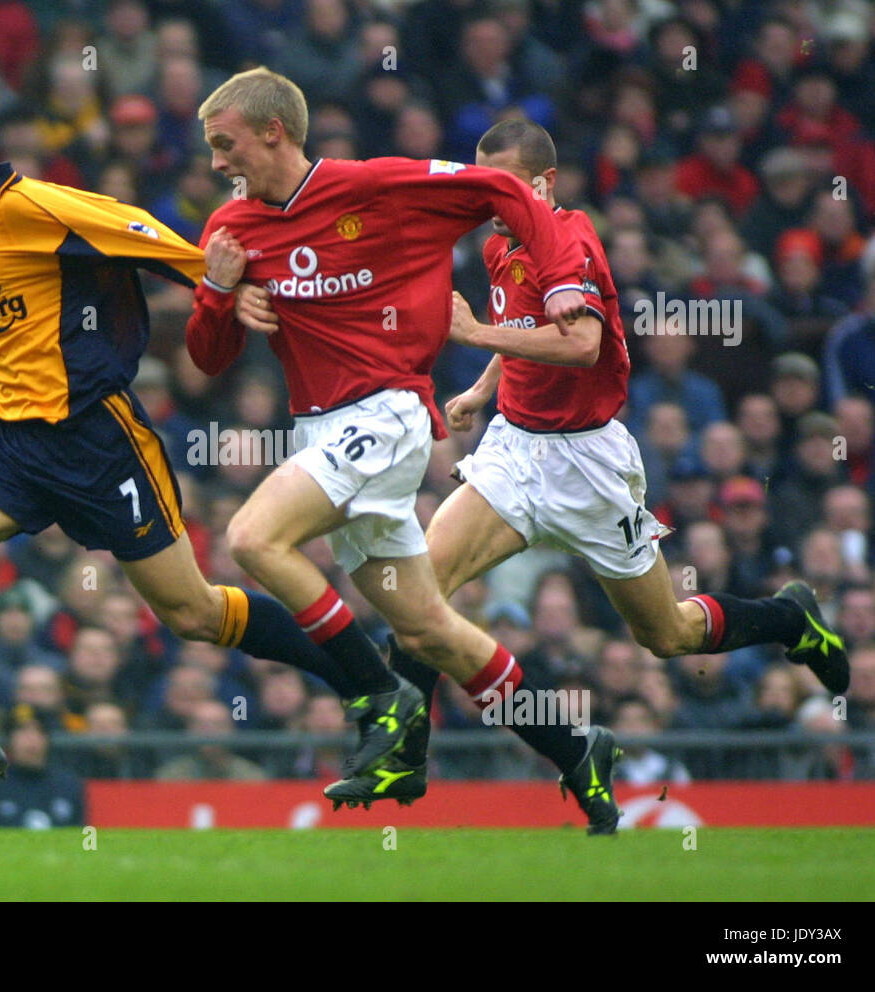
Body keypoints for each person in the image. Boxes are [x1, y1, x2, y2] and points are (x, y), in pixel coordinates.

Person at [0, 95, 417, 831]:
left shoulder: (40, 207)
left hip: (98, 442)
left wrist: (221, 286)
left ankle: (372, 684)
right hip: (9, 445)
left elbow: (140, 231)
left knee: (192, 612)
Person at [302, 120, 849, 824]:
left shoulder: (572, 239)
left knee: (666, 635)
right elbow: (526, 328)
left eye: (501, 185)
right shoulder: (503, 245)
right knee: (419, 595)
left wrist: (472, 336)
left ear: (543, 183)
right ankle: (412, 757)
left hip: (589, 462)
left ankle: (787, 617)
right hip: (515, 448)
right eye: (481, 185)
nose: (488, 200)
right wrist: (480, 386)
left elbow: (583, 343)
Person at [186, 69, 641, 831]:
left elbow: (507, 191)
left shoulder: (378, 187)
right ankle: (574, 747)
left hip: (389, 413)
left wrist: (561, 278)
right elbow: (207, 360)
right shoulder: (230, 234)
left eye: (225, 144)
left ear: (274, 132)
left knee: (252, 537)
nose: (215, 164)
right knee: (429, 629)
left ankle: (377, 698)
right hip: (319, 430)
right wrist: (220, 292)